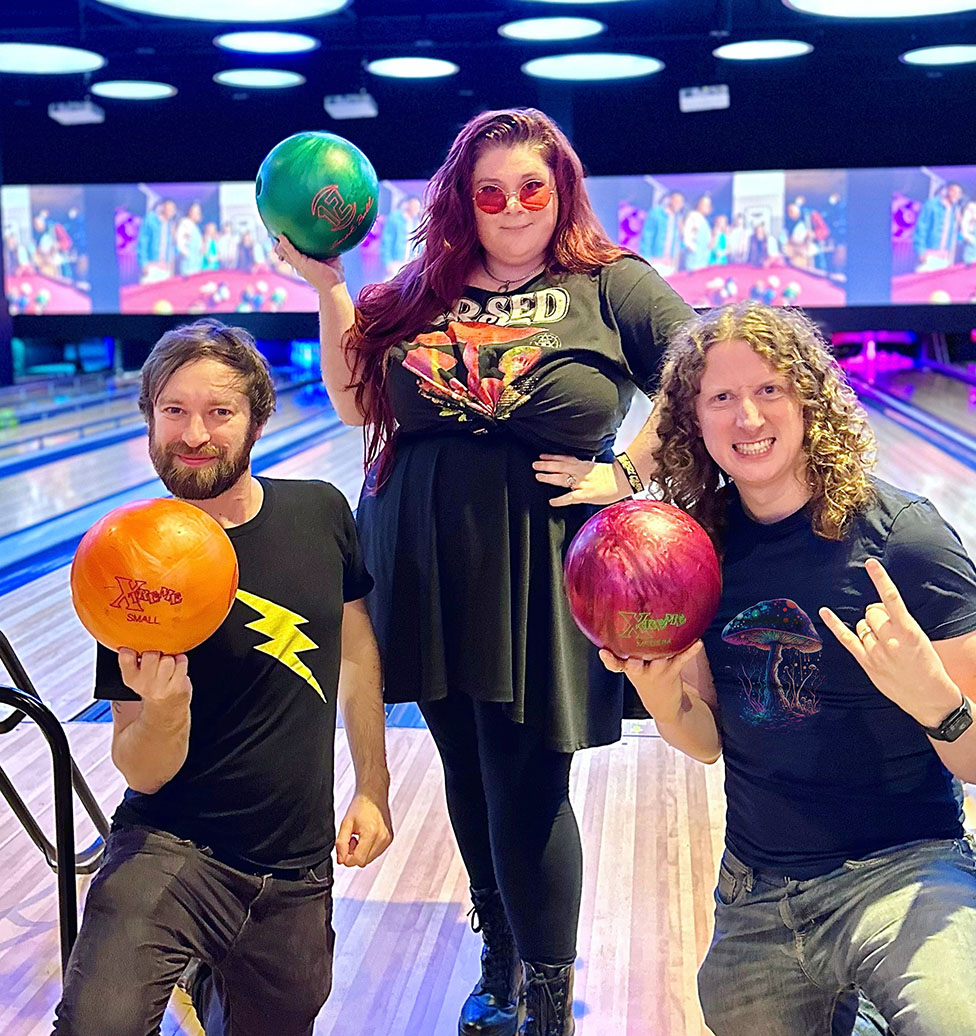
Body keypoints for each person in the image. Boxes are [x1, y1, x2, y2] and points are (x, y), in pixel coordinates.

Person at [276, 107, 694, 1036]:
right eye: (490, 191)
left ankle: (546, 999)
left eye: (530, 188)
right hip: (421, 559)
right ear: (463, 199)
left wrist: (628, 471)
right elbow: (355, 403)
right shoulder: (422, 287)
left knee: (527, 780)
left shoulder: (610, 282)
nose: (512, 207)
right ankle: (499, 953)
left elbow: (700, 372)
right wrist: (328, 285)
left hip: (542, 569)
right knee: (466, 769)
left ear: (561, 190)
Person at [603, 301, 976, 1036]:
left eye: (769, 389)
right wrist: (662, 696)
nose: (748, 417)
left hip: (909, 871)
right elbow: (706, 741)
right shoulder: (698, 554)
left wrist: (936, 702)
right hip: (757, 891)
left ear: (808, 398)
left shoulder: (905, 539)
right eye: (721, 397)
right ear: (693, 421)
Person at [51, 319, 393, 1036]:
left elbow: (357, 651)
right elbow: (141, 770)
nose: (194, 434)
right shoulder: (126, 563)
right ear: (149, 419)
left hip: (297, 865)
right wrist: (165, 710)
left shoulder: (319, 511)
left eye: (219, 412)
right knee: (97, 1025)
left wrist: (372, 787)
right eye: (173, 410)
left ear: (258, 421)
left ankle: (210, 972)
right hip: (173, 847)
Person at [640, 188, 686, 275]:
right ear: (670, 200)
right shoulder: (656, 213)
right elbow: (647, 236)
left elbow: (680, 243)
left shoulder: (678, 219)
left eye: (681, 202)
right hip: (655, 261)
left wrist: (682, 231)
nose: (678, 204)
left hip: (670, 263)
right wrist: (647, 258)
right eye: (676, 201)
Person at [137, 198, 178, 282]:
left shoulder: (170, 226)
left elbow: (174, 250)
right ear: (163, 207)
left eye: (173, 210)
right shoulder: (150, 220)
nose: (171, 211)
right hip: (151, 266)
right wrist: (144, 263)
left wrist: (175, 238)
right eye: (169, 208)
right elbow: (143, 242)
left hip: (165, 268)